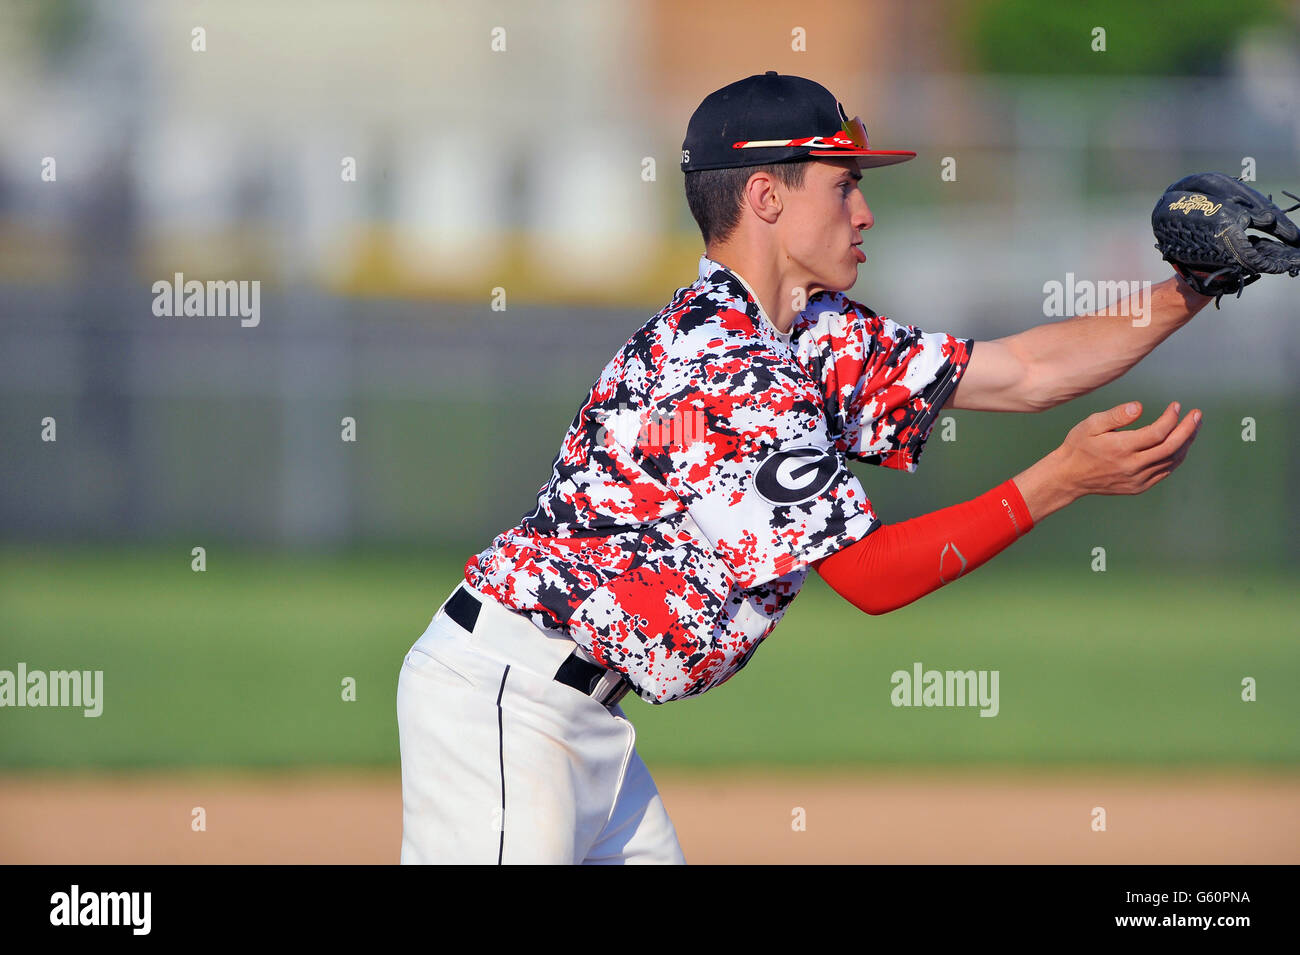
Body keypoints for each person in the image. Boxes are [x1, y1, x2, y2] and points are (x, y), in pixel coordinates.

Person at [395, 71, 1211, 865]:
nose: (865, 212)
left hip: (580, 716)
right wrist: (1060, 480)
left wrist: (1195, 287)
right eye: (844, 184)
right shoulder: (723, 363)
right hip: (509, 700)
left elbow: (1028, 373)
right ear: (766, 197)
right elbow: (873, 576)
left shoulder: (807, 334)